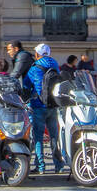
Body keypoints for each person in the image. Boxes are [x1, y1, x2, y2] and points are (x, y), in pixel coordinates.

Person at [23, 43, 63, 175]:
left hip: (38, 105)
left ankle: (40, 167)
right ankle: (59, 165)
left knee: (38, 137)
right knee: (54, 136)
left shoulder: (34, 67)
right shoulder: (55, 64)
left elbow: (26, 84)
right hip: (53, 104)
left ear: (37, 54)